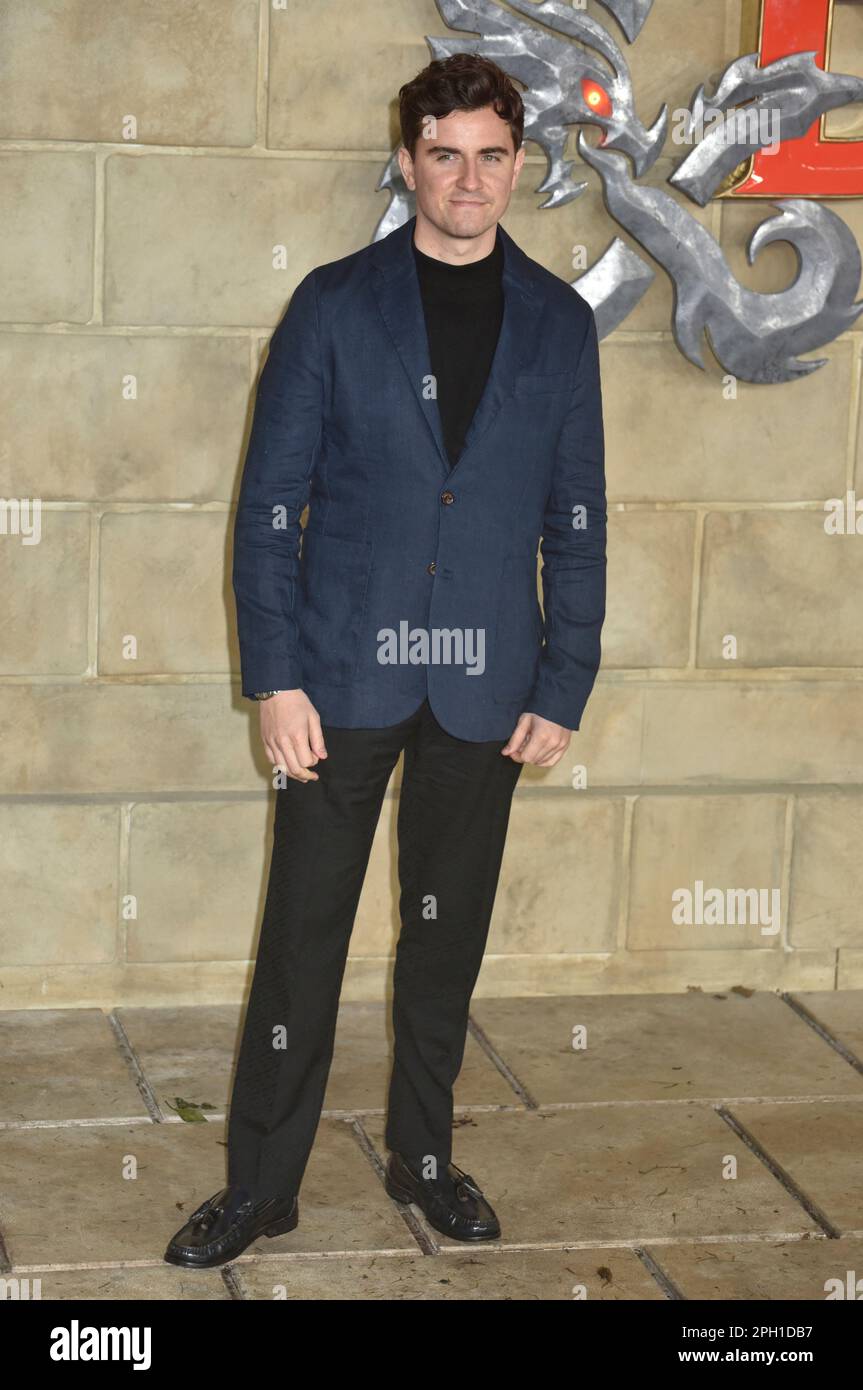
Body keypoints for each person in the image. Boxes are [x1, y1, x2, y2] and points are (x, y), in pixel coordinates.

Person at [165, 51, 606, 1269]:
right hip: (339, 677)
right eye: (444, 153)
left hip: (488, 681)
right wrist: (278, 677)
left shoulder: (561, 329)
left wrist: (563, 678)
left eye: (491, 156)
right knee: (301, 935)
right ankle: (260, 1184)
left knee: (443, 936)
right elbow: (269, 507)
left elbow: (576, 516)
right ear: (407, 159)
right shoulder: (331, 304)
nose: (468, 179)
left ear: (516, 166)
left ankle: (422, 1162)